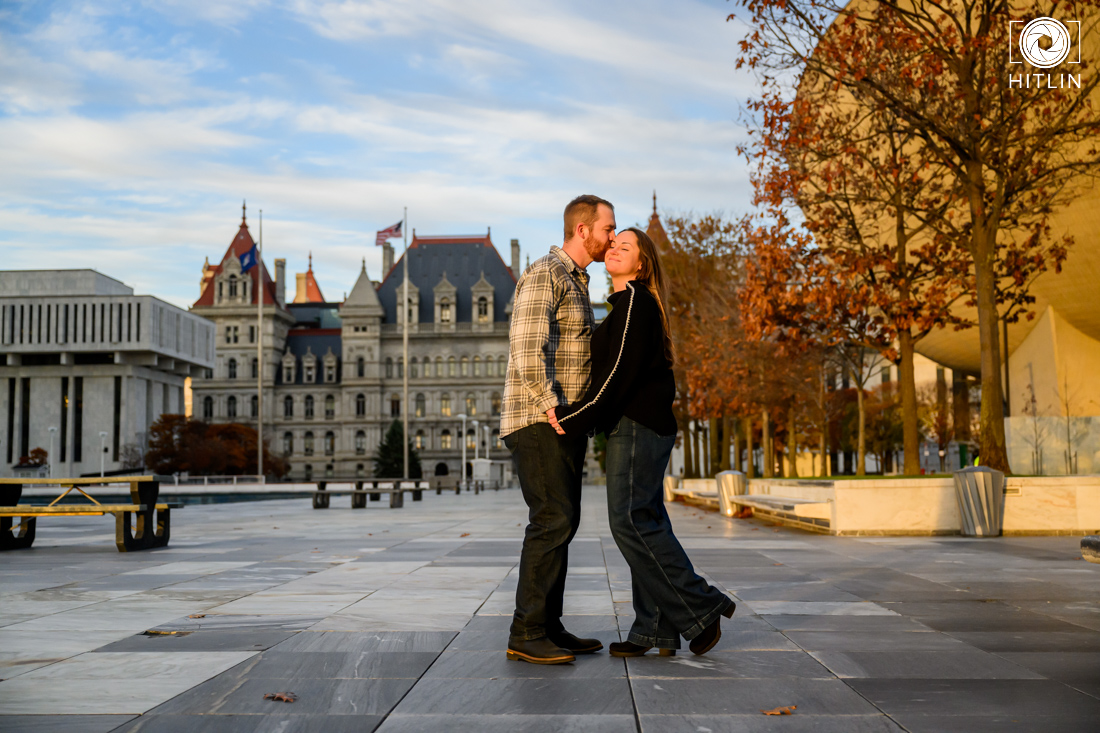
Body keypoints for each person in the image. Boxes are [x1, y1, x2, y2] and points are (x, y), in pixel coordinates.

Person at [552, 227, 735, 657]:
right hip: (640, 427)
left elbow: (616, 378)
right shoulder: (626, 307)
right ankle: (653, 629)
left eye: (625, 247)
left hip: (638, 427)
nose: (614, 249)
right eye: (612, 244)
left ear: (642, 263)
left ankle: (701, 605)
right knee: (646, 522)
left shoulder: (635, 302)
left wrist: (572, 418)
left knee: (630, 522)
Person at [500, 194, 617, 664]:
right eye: (609, 227)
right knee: (551, 520)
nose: (613, 236)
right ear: (583, 230)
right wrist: (554, 408)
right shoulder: (546, 274)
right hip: (538, 419)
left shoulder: (575, 280)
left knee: (561, 523)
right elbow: (528, 349)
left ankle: (548, 624)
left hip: (561, 422)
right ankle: (526, 631)